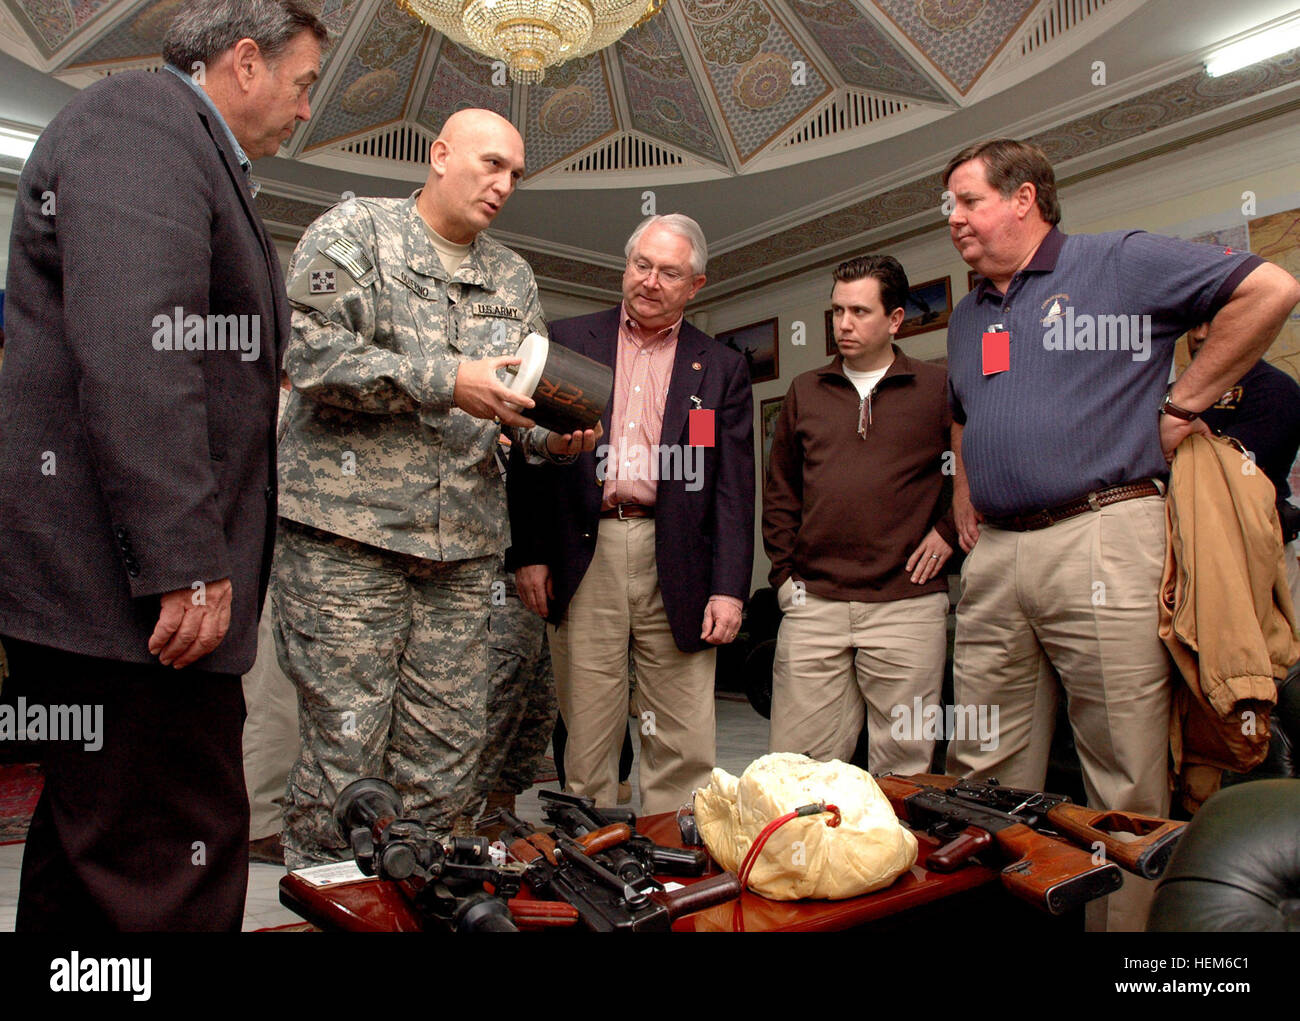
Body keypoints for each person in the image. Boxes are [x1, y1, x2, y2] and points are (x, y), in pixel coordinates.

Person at [0, 0, 327, 930]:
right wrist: (184, 555)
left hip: (105, 602)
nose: (307, 111)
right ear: (246, 61)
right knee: (168, 863)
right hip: (126, 604)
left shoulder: (181, 145)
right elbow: (140, 350)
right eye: (303, 85)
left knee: (93, 852)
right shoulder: (144, 120)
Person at [942, 137, 1300, 929]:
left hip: (1103, 532)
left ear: (1026, 197)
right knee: (982, 769)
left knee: (1122, 775)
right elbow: (964, 414)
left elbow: (1272, 287)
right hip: (997, 555)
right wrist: (968, 490)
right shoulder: (968, 316)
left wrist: (1183, 406)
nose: (954, 219)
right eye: (951, 207)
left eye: (968, 201)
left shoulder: (1117, 262)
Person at [274, 107, 598, 868]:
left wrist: (555, 438)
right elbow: (315, 358)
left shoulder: (512, 276)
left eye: (516, 173)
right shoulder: (352, 235)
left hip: (460, 562)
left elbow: (516, 408)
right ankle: (337, 907)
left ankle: (434, 906)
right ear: (438, 155)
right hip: (347, 548)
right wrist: (448, 381)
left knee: (450, 761)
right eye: (490, 163)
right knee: (347, 764)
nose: (504, 184)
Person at [510, 213, 755, 816]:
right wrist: (530, 553)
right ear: (626, 267)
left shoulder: (720, 367)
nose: (650, 281)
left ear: (694, 285)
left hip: (677, 556)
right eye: (641, 265)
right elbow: (524, 453)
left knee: (680, 728)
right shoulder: (567, 340)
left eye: (669, 272)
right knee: (587, 722)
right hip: (583, 550)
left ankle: (676, 854)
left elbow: (732, 489)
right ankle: (588, 858)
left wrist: (729, 590)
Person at [765, 255, 955, 774]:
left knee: (904, 770)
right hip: (814, 605)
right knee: (796, 770)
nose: (843, 325)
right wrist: (784, 576)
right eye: (836, 311)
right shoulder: (806, 390)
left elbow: (970, 471)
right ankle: (804, 856)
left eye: (859, 312)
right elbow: (780, 490)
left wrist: (948, 531)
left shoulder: (938, 388)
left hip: (907, 605)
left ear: (895, 319)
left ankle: (892, 859)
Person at [1187, 323, 1300, 608]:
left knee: (1273, 650)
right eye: (1195, 323)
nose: (1199, 334)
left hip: (1256, 550)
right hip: (1190, 553)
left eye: (1215, 321)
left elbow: (1237, 476)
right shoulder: (1175, 396)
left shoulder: (1273, 388)